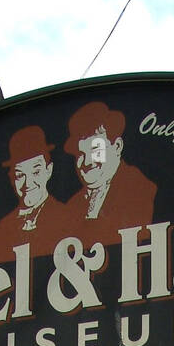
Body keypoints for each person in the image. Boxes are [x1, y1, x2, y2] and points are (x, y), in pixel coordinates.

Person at [61, 102, 157, 247]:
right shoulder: (73, 205)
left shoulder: (139, 188)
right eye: (80, 154)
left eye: (95, 151)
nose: (87, 162)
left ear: (117, 147)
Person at [0, 125, 72, 263]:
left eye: (36, 172)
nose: (28, 183)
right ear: (12, 178)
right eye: (20, 175)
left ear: (48, 170)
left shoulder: (68, 218)